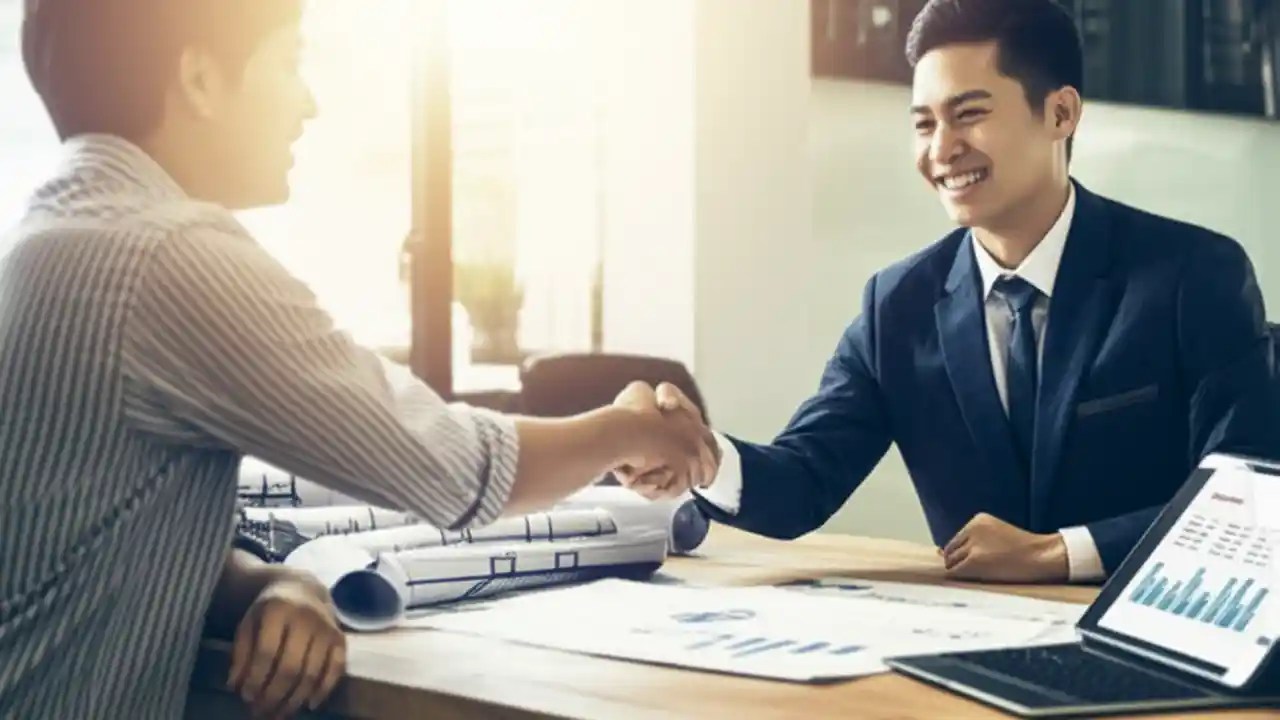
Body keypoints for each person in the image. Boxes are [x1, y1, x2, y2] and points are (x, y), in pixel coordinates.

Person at [0, 1, 714, 718]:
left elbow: (110, 541)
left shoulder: (49, 243)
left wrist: (278, 582)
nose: (306, 103)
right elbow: (453, 471)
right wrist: (627, 430)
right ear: (201, 80)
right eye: (288, 62)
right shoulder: (166, 256)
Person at [622, 0, 1277, 586]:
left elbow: (1247, 501)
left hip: (1157, 645)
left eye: (969, 115)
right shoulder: (897, 306)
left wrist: (1059, 552)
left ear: (1060, 113)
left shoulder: (1195, 276)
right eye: (923, 124)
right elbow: (804, 480)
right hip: (966, 652)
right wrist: (707, 460)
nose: (943, 149)